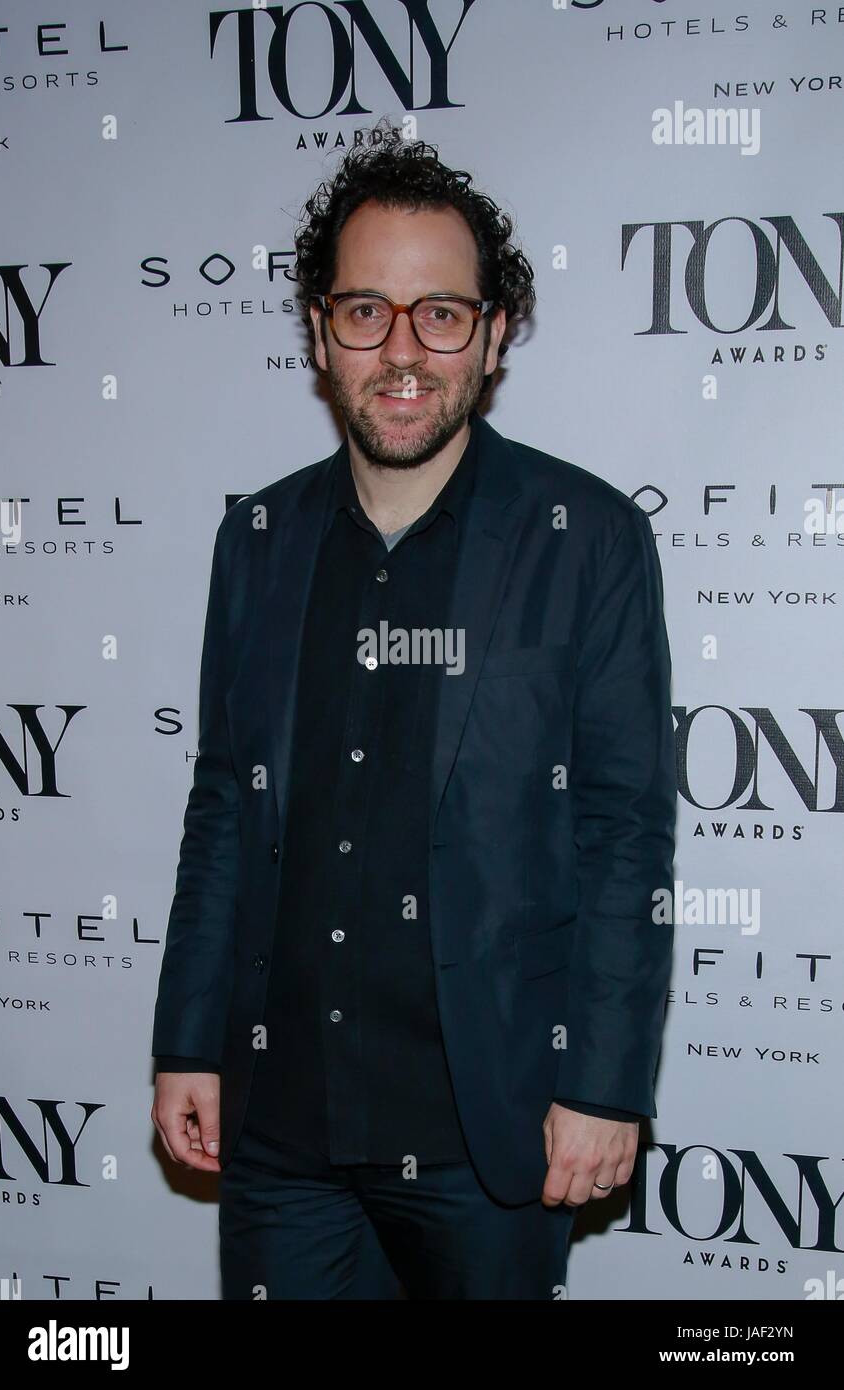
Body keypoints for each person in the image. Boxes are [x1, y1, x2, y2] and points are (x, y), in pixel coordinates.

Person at [151, 123, 677, 1300]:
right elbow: (222, 807)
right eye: (363, 311)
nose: (401, 349)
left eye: (439, 313)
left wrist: (602, 1082)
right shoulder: (258, 539)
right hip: (283, 1127)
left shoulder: (585, 537)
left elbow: (622, 828)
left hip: (490, 1130)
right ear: (318, 334)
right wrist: (188, 1039)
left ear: (491, 338)